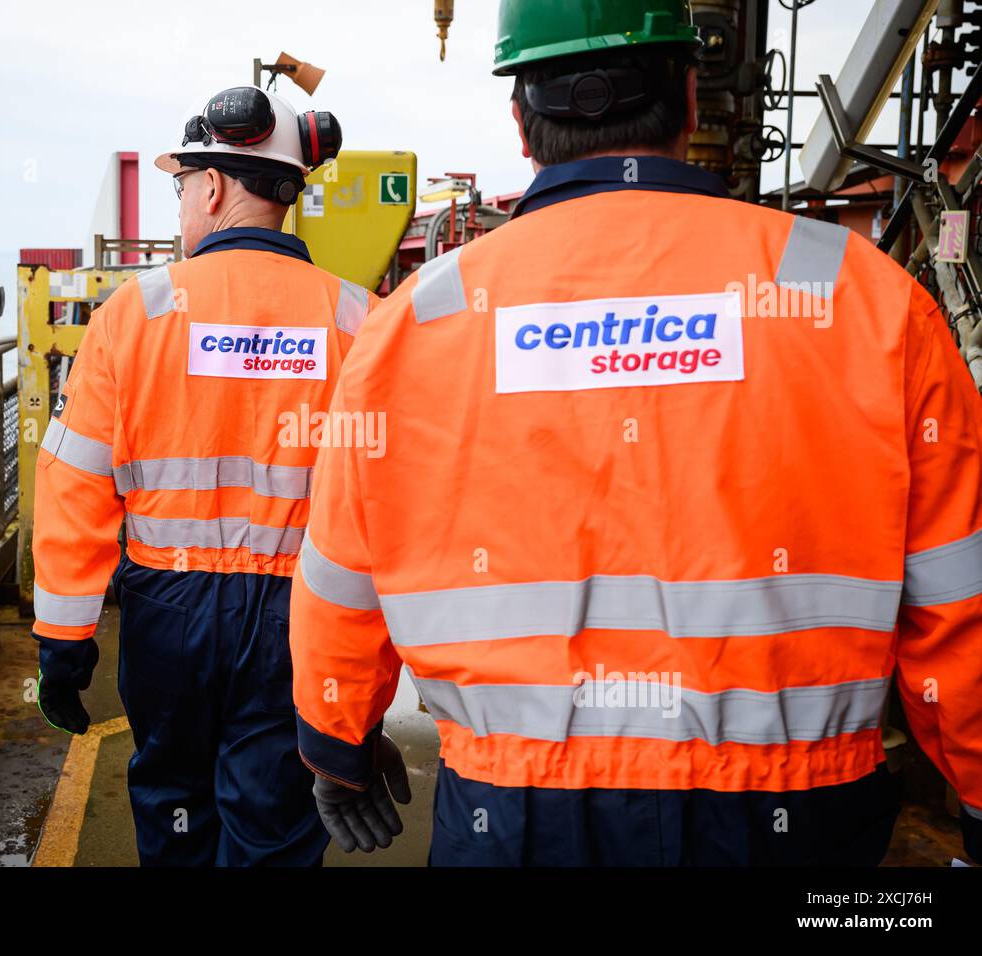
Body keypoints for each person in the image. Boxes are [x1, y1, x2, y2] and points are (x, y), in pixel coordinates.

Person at [289, 0, 982, 865]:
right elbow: (959, 593)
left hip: (515, 810)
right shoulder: (862, 296)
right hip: (795, 812)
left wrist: (336, 741)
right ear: (691, 98)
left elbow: (342, 570)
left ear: (520, 122)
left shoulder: (418, 321)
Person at [31, 85, 377, 865]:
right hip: (304, 617)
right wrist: (367, 689)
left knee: (175, 809)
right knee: (277, 822)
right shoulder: (361, 319)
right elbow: (394, 504)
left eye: (182, 187)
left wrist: (64, 641)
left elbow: (76, 485)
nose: (182, 204)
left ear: (214, 186)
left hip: (168, 611)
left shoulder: (136, 312)